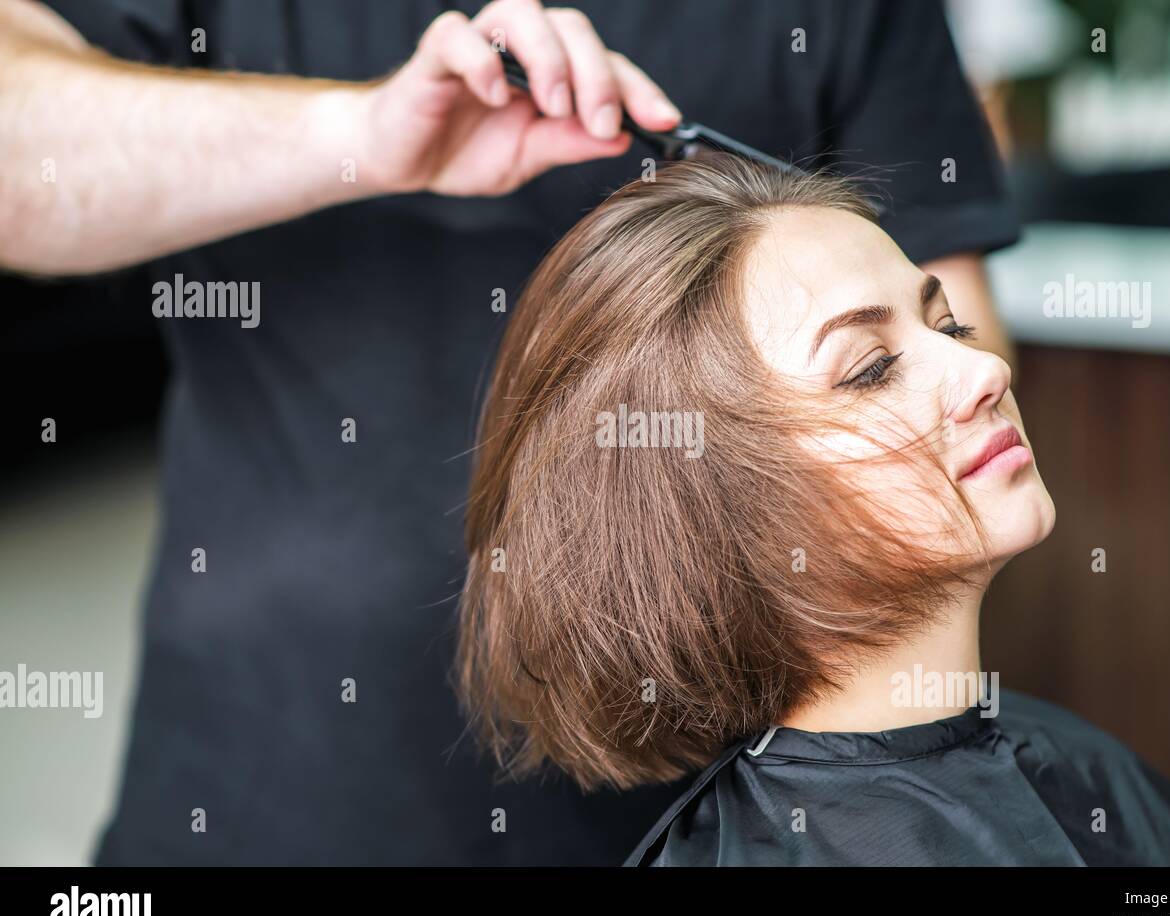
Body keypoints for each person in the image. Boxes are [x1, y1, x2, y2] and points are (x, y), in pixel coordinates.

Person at [0, 0, 1020, 864]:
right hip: (271, 774)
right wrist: (363, 135)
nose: (986, 375)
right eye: (868, 360)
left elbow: (945, 371)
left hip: (718, 794)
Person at [458, 152, 1170, 867]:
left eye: (947, 324)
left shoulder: (1052, 755)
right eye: (871, 369)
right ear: (707, 505)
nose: (983, 368)